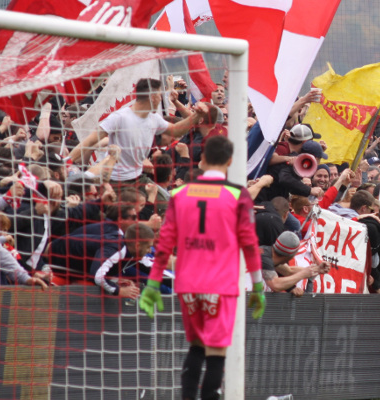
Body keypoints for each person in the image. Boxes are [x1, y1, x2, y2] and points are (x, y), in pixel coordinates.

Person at [138, 135, 265, 400]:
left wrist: (152, 283)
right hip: (221, 284)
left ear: (203, 159)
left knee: (196, 346)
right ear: (230, 162)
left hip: (188, 283)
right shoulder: (237, 194)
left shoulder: (179, 194)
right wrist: (257, 286)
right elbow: (250, 245)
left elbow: (164, 243)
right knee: (217, 350)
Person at [70, 78, 204, 188]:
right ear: (152, 97)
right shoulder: (120, 117)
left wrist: (197, 116)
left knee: (165, 202)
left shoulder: (154, 118)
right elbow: (89, 141)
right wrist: (67, 162)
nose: (160, 99)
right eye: (159, 95)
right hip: (115, 179)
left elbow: (176, 130)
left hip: (138, 177)